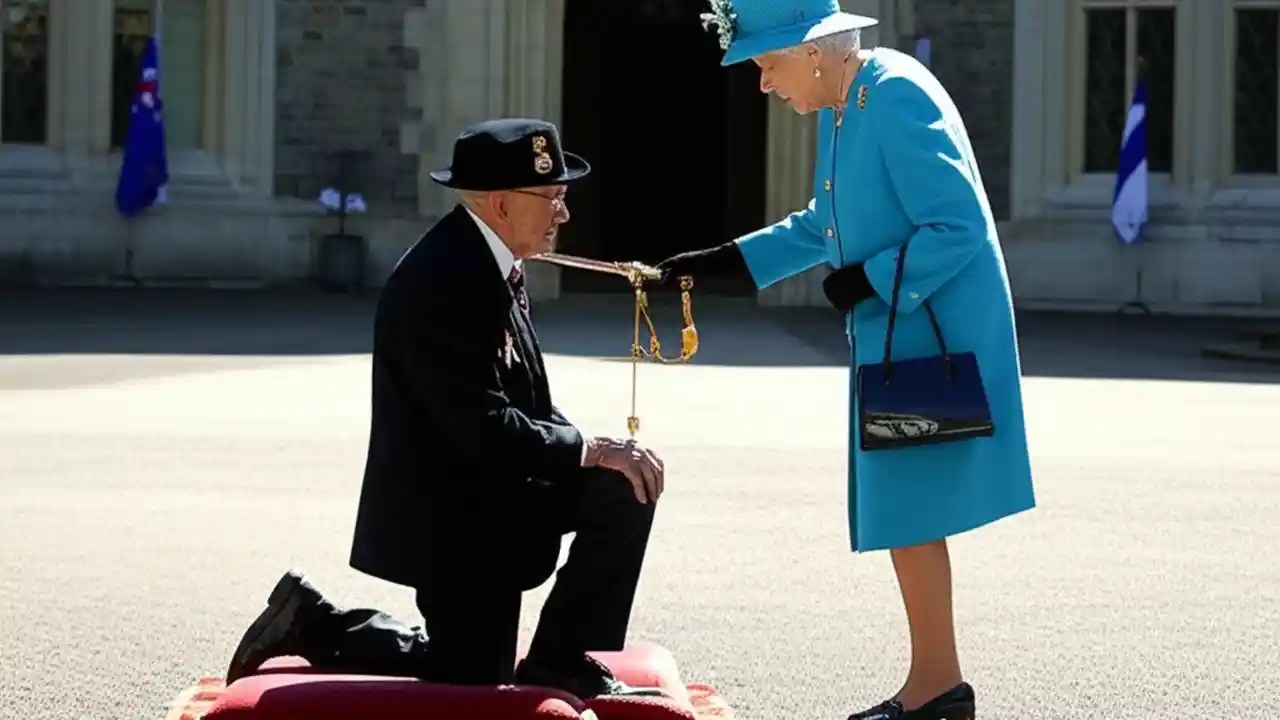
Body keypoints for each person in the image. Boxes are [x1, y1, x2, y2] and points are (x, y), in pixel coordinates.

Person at [657, 2, 1036, 719]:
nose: (764, 85)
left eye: (767, 66)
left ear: (813, 51)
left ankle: (937, 691)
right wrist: (723, 263)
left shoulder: (894, 93)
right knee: (905, 513)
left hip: (927, 339)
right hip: (901, 336)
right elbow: (820, 224)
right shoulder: (844, 103)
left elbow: (959, 226)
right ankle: (936, 686)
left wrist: (868, 277)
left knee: (910, 513)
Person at [224, 118, 668, 700]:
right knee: (468, 674)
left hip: (496, 488)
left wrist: (599, 452)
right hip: (456, 521)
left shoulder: (492, 259)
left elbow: (526, 400)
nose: (564, 214)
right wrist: (587, 450)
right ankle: (312, 623)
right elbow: (480, 424)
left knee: (624, 484)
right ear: (501, 203)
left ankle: (561, 659)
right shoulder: (443, 280)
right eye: (553, 199)